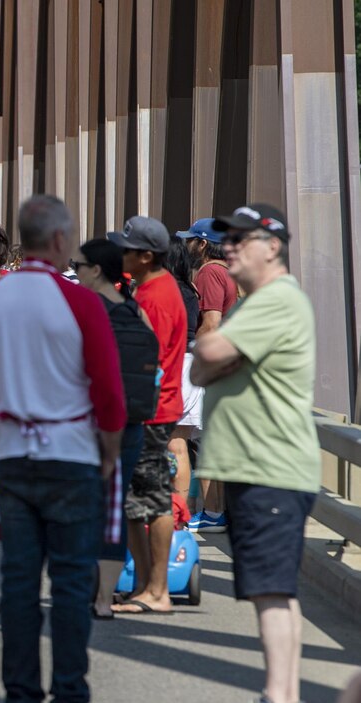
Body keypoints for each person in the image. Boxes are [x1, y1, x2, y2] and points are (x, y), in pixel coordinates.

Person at [0, 195, 125, 702]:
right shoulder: (81, 302)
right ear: (57, 241)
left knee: (20, 584)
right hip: (72, 456)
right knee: (73, 583)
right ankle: (71, 689)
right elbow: (109, 392)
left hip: (13, 458)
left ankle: (21, 691)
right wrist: (109, 453)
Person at [191, 204, 318, 703]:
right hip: (260, 466)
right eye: (227, 239)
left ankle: (279, 694)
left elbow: (208, 355)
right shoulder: (259, 302)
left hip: (269, 467)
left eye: (241, 240)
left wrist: (218, 354)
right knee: (272, 590)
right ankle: (280, 692)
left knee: (270, 591)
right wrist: (217, 356)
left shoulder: (274, 300)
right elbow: (204, 368)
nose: (229, 248)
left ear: (272, 246)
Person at [108, 216, 186, 616]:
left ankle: (158, 590)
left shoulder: (156, 297)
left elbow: (141, 359)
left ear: (145, 255)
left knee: (152, 499)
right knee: (133, 501)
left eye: (126, 247)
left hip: (152, 412)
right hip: (145, 409)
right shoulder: (149, 288)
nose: (120, 253)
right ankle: (143, 584)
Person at [74, 239, 155, 620]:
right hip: (131, 424)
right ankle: (105, 599)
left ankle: (75, 586)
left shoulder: (85, 309)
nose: (75, 271)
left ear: (94, 269)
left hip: (88, 423)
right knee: (114, 508)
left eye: (79, 265)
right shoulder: (136, 310)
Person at [178, 217, 238, 531]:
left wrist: (192, 350)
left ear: (202, 244)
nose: (185, 245)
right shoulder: (230, 272)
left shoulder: (210, 273)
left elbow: (211, 322)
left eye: (190, 239)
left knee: (202, 439)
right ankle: (217, 510)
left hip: (211, 365)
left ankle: (213, 512)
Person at [164, 236, 201, 506]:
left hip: (175, 365)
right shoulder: (190, 290)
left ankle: (175, 511)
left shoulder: (169, 290)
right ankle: (182, 510)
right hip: (190, 365)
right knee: (181, 445)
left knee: (174, 445)